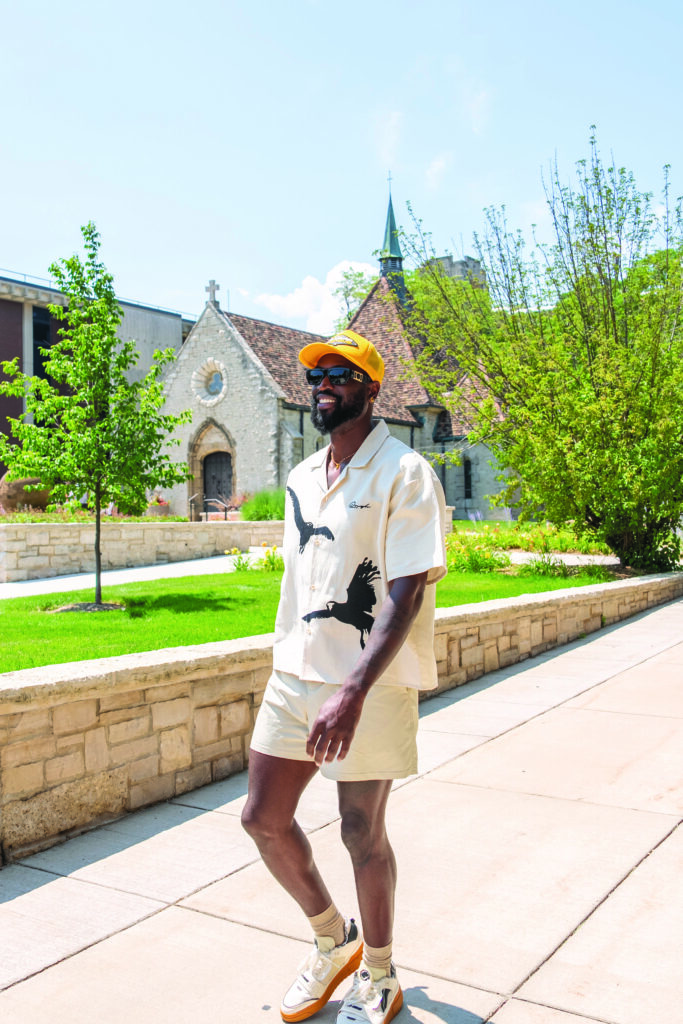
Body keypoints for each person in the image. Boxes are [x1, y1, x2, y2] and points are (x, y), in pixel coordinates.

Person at [242, 329, 446, 1024]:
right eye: (316, 374)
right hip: (294, 676)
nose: (322, 382)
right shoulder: (303, 476)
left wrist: (352, 693)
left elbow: (406, 590)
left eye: (340, 372)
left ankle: (380, 973)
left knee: (360, 831)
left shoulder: (404, 472)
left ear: (370, 388)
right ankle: (333, 941)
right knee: (263, 820)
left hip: (369, 684)